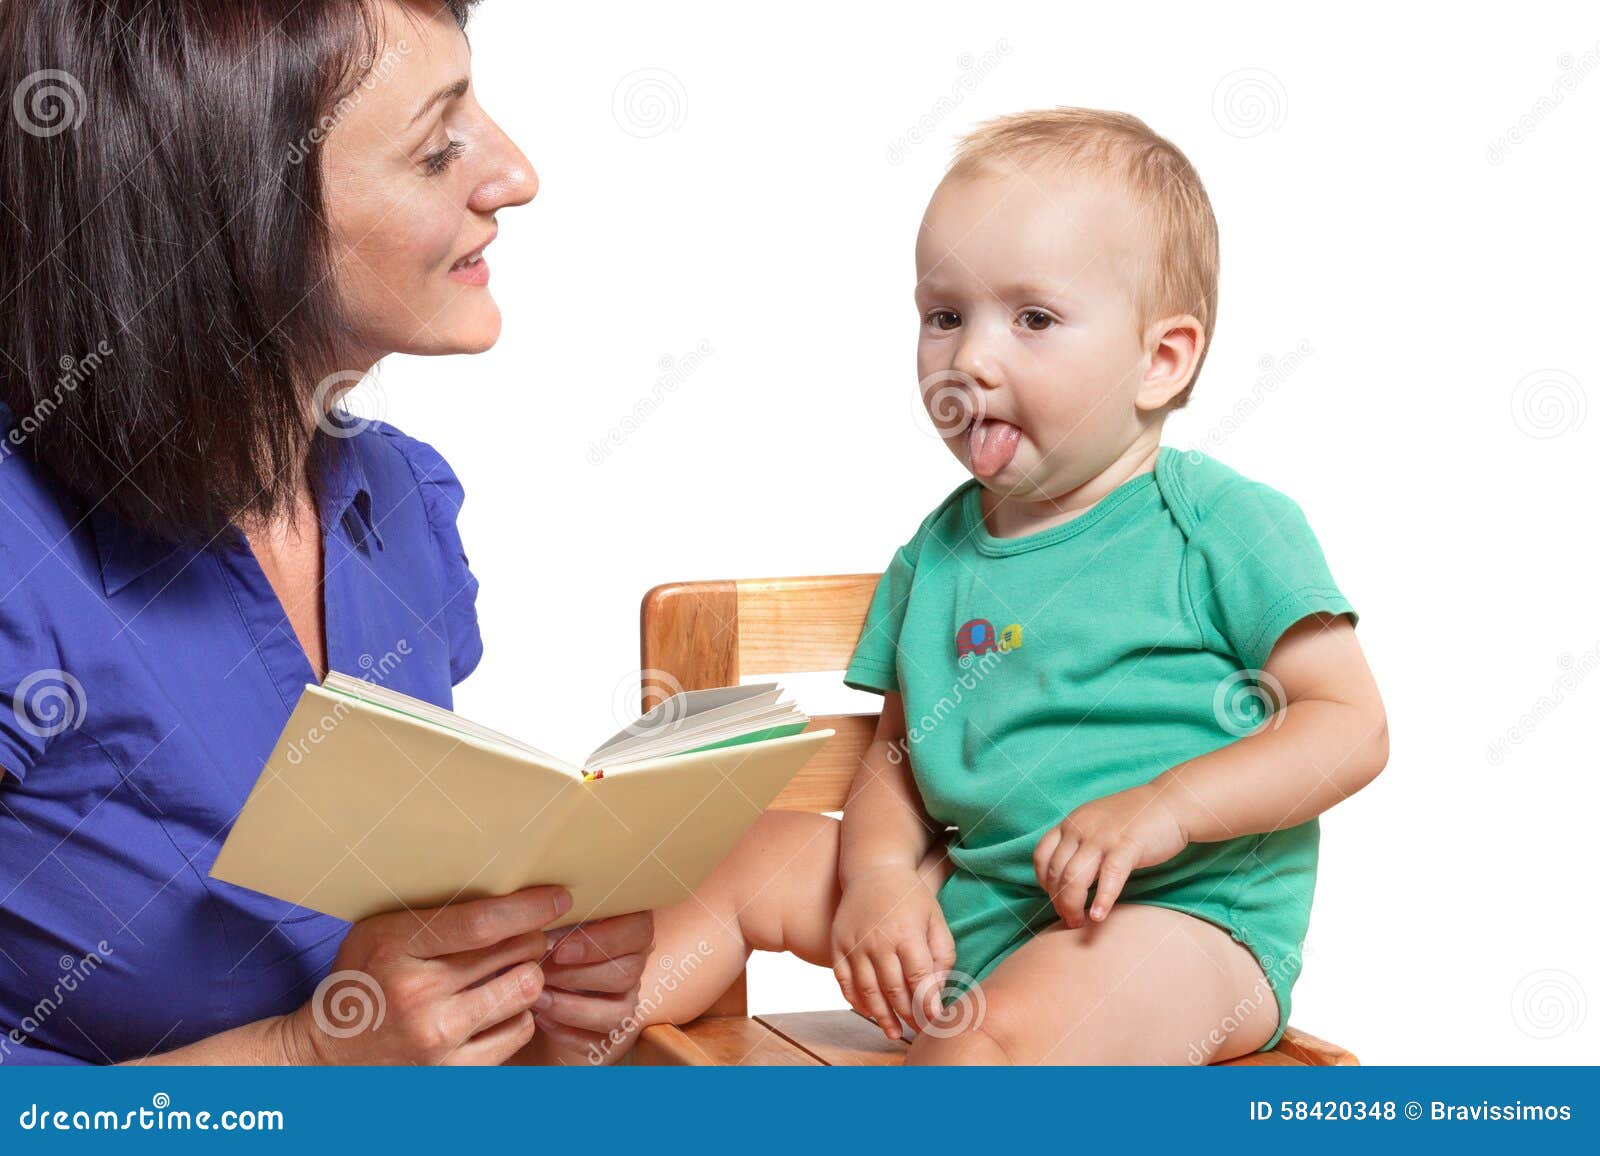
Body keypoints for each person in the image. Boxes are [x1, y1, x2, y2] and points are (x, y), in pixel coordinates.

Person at [631, 108, 1388, 1065]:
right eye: (945, 316)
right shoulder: (935, 553)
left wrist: (1167, 806)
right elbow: (898, 758)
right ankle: (556, 1051)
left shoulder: (1222, 525)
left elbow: (1349, 726)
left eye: (1033, 319)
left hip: (1174, 928)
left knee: (993, 1036)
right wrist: (879, 878)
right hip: (976, 902)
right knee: (738, 855)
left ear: (1160, 360)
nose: (969, 360)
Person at [0, 0, 650, 1066]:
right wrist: (309, 1057)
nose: (515, 174)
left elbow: (393, 982)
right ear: (225, 210)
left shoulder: (398, 503)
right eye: (436, 149)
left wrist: (518, 989)